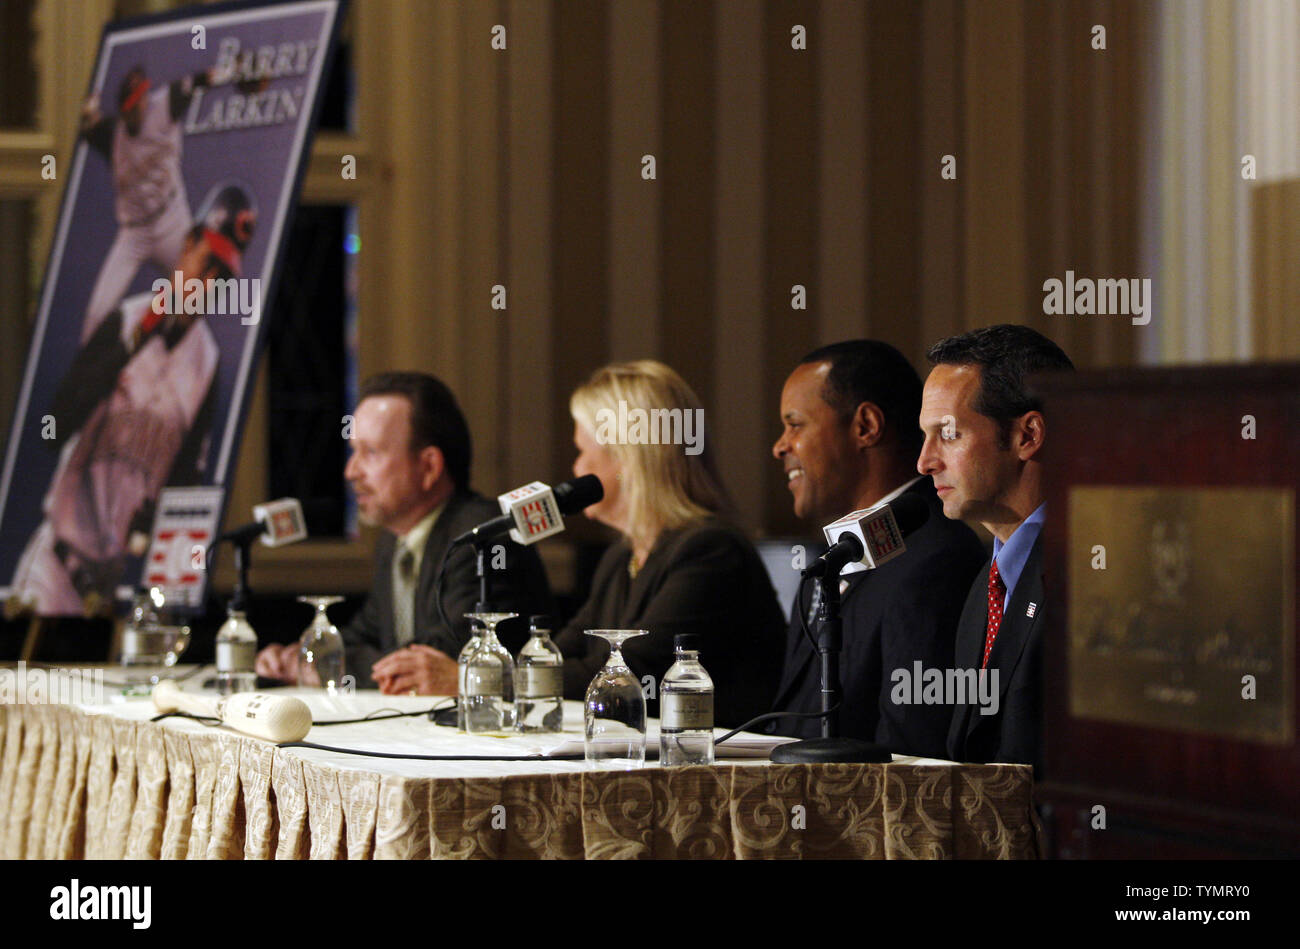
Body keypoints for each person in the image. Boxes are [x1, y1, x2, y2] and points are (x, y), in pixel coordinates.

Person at [10, 183, 255, 617]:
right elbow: (54, 425)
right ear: (187, 246)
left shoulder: (207, 364)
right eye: (209, 262)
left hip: (110, 594)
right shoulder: (124, 320)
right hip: (53, 568)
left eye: (225, 275)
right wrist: (130, 346)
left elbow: (184, 483)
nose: (212, 281)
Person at [256, 372, 552, 693]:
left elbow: (445, 653)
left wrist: (329, 667)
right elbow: (368, 633)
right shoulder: (393, 542)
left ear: (429, 467)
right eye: (353, 451)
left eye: (370, 453)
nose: (351, 471)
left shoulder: (482, 533)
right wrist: (302, 654)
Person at [769, 341, 986, 757]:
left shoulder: (935, 561)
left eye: (795, 425)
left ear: (866, 426)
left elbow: (912, 755)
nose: (780, 446)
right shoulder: (831, 557)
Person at [554, 360, 786, 728]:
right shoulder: (622, 557)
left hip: (720, 776)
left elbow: (638, 676)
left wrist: (496, 677)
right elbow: (562, 654)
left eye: (583, 451)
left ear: (627, 457)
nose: (577, 468)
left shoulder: (711, 551)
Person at [918, 324, 1074, 770]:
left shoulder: (1090, 575)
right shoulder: (984, 591)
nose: (925, 461)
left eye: (947, 434)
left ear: (1027, 436)